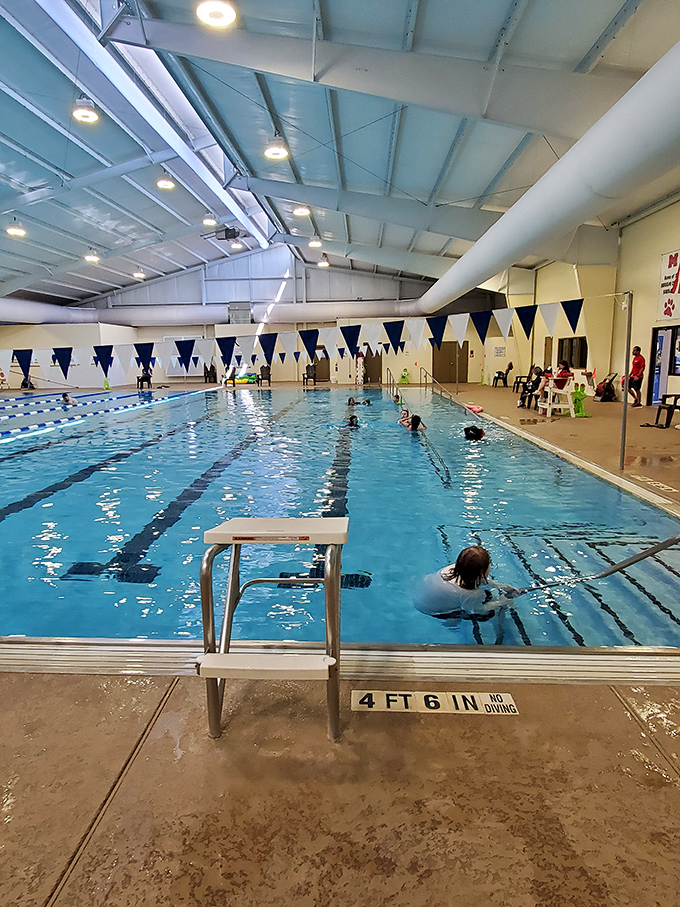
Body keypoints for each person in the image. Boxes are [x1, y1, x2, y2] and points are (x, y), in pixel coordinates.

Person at [415, 546, 516, 644]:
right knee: (490, 611)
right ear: (482, 573)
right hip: (433, 611)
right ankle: (451, 623)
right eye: (489, 565)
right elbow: (476, 610)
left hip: (422, 594)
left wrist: (499, 586)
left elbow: (477, 578)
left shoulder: (452, 569)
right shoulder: (472, 594)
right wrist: (501, 602)